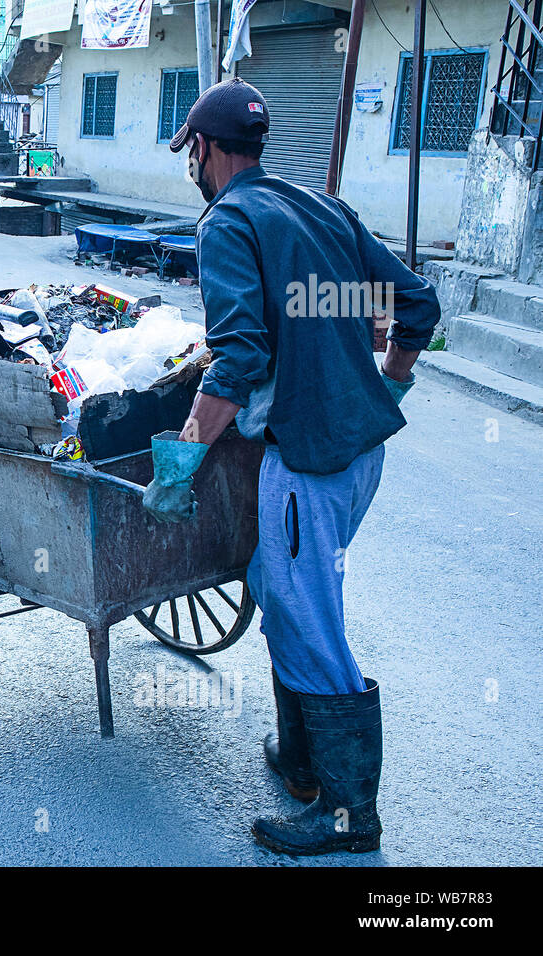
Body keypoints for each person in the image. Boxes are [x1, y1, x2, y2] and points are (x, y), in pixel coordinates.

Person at [142, 78, 440, 855]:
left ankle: (347, 815)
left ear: (204, 150)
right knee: (282, 592)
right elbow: (418, 306)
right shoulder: (323, 207)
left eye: (191, 153)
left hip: (306, 462)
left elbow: (238, 356)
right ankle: (302, 761)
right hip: (361, 452)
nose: (192, 165)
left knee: (308, 620)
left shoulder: (228, 223)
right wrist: (391, 381)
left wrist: (182, 462)